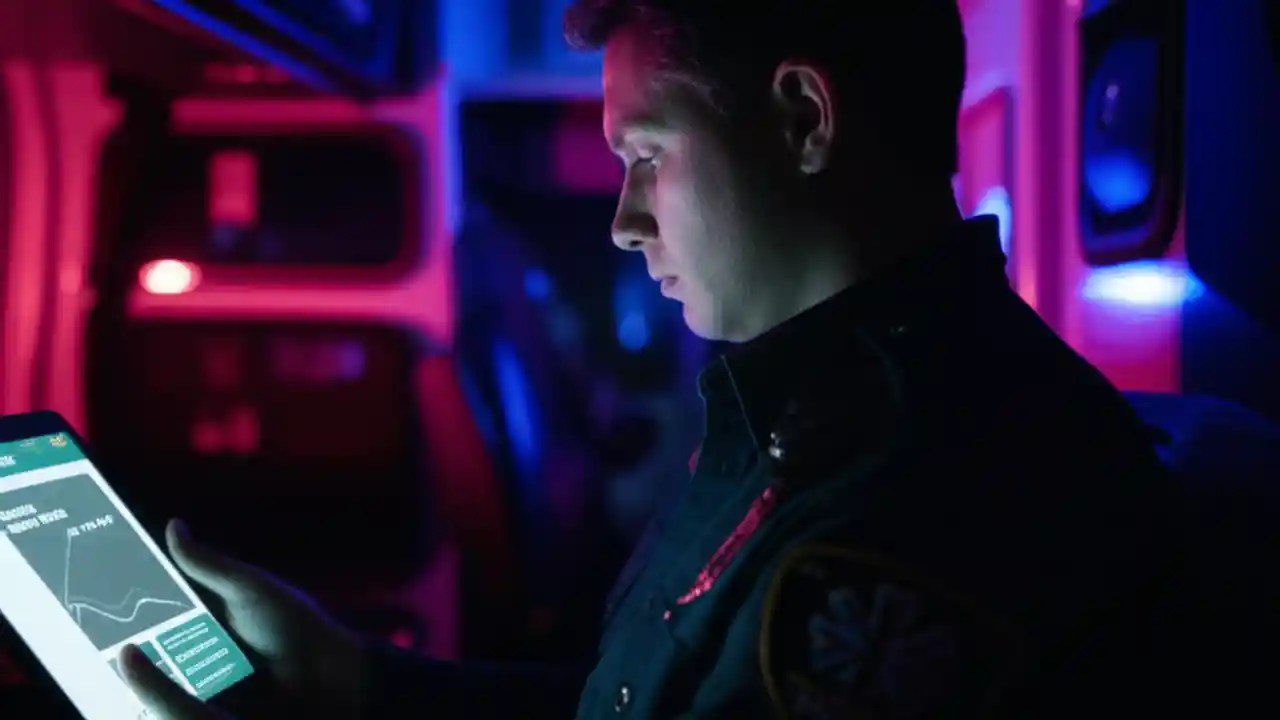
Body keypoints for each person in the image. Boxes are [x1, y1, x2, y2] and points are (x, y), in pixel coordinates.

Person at [121, 1, 1194, 718]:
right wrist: (353, 678)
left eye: (644, 154)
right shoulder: (814, 413)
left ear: (801, 118)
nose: (624, 221)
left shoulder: (922, 506)